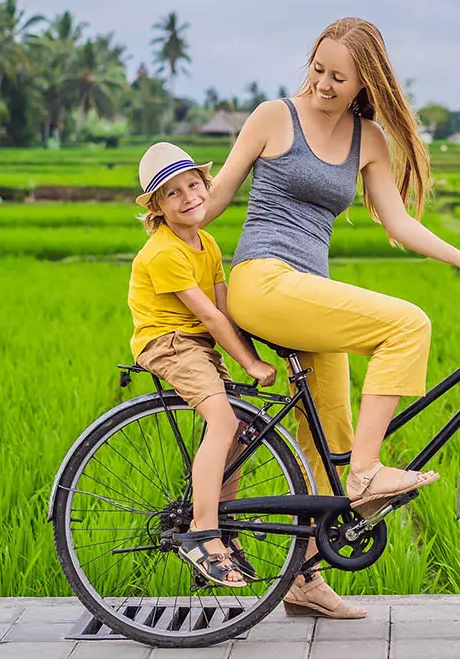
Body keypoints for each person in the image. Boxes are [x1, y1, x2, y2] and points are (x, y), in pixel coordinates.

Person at [199, 17, 460, 618]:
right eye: (318, 69)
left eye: (339, 77)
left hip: (308, 294)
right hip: (263, 281)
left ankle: (304, 581)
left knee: (326, 445)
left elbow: (399, 223)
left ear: (365, 82)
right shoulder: (273, 117)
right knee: (408, 324)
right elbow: (220, 193)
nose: (323, 84)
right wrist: (168, 224)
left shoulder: (369, 140)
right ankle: (367, 474)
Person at [128, 142, 278, 587]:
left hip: (198, 343)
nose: (188, 196)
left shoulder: (206, 242)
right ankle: (203, 533)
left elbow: (225, 305)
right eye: (172, 193)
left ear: (206, 186)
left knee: (238, 430)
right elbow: (210, 316)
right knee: (222, 421)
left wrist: (268, 337)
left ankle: (225, 530)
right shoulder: (164, 252)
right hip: (169, 341)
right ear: (156, 208)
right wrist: (250, 361)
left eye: (193, 184)